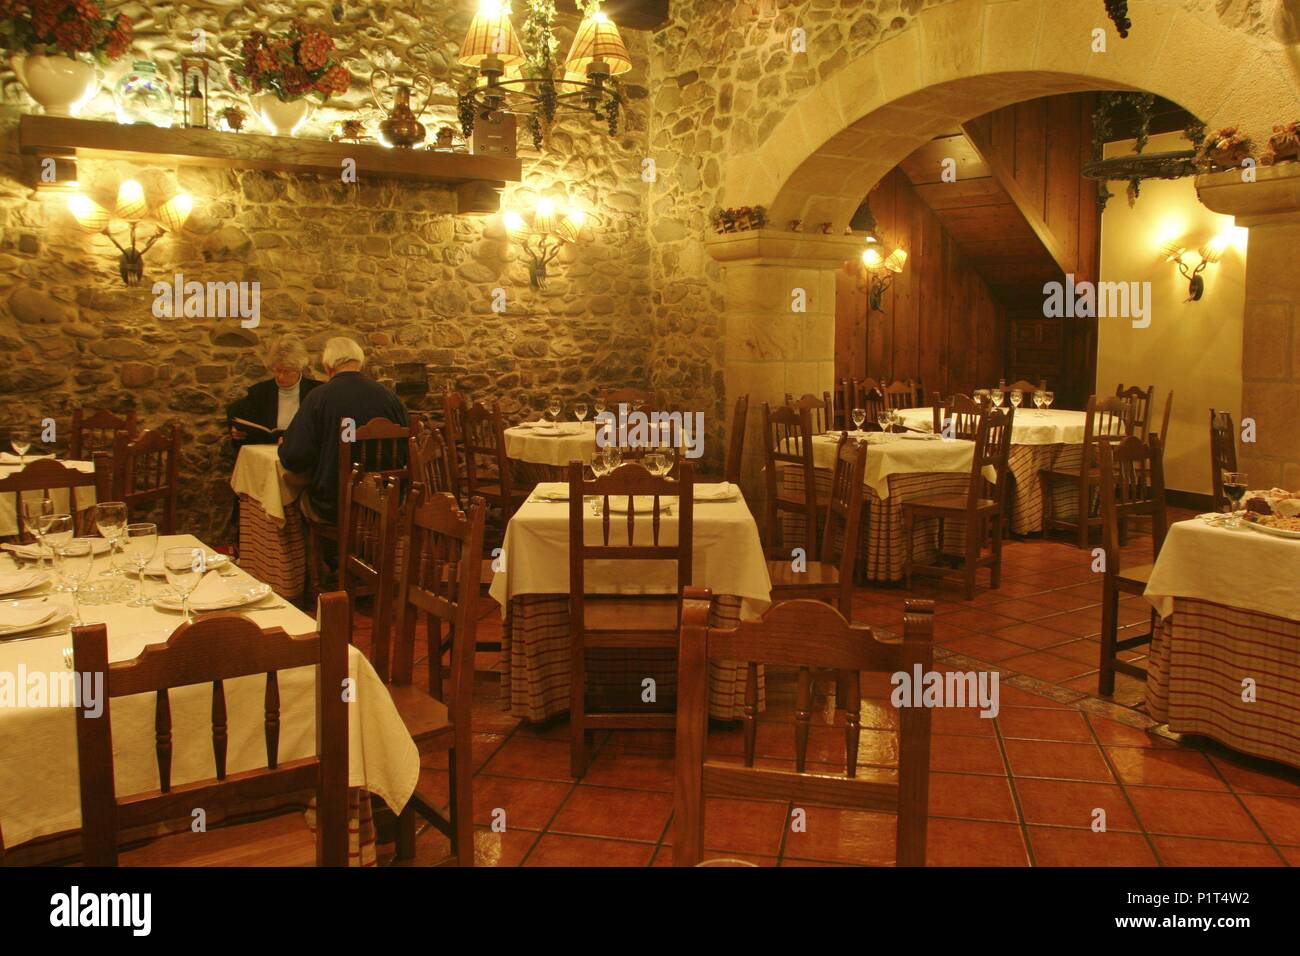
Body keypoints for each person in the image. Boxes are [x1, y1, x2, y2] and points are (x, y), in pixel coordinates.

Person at [278, 336, 408, 524]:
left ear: (328, 368)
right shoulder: (390, 398)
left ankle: (317, 553)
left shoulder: (319, 397)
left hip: (335, 507)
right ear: (360, 363)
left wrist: (284, 445)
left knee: (297, 499)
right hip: (387, 501)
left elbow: (294, 458)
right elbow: (405, 452)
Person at [227, 337, 323, 445]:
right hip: (267, 453)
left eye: (286, 371)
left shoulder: (317, 391)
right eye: (277, 370)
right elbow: (234, 412)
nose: (280, 376)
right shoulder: (260, 392)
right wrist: (236, 431)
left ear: (298, 369)